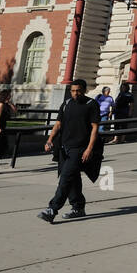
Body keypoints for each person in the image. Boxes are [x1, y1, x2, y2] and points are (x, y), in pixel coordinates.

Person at [38, 79, 102, 223]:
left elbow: (95, 128)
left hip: (80, 149)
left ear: (84, 90)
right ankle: (78, 207)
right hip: (64, 147)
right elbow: (58, 124)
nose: (75, 93)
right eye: (73, 91)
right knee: (72, 178)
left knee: (65, 178)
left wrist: (89, 149)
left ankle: (52, 209)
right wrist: (49, 140)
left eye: (78, 90)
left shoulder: (91, 105)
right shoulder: (67, 104)